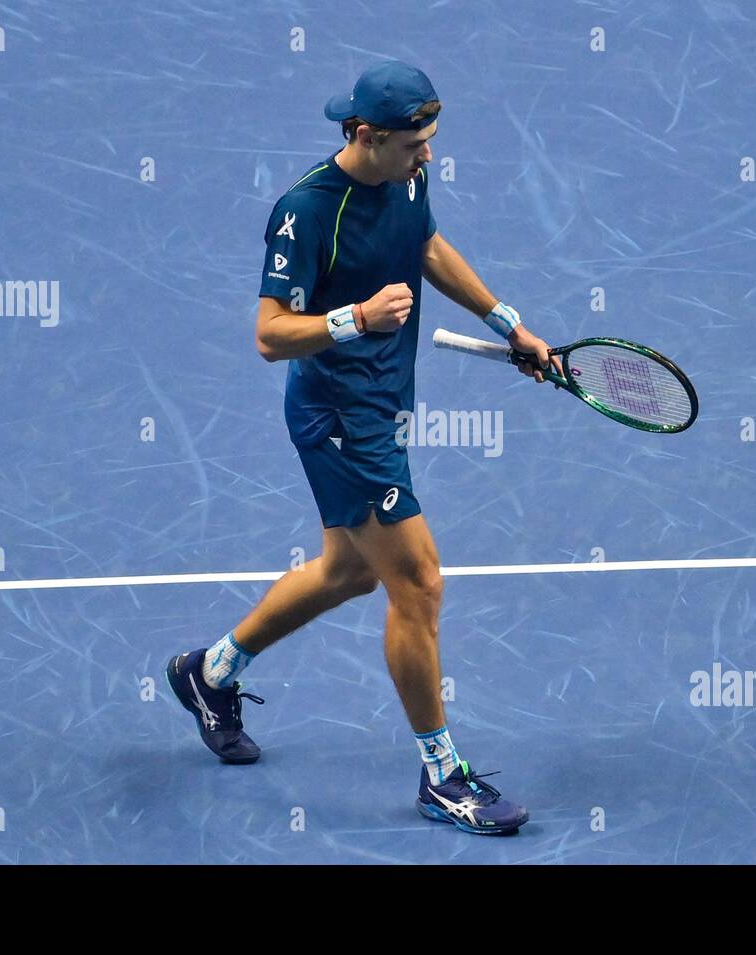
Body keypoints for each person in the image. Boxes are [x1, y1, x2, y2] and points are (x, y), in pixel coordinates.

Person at [167, 60, 560, 835]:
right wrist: (356, 318)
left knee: (348, 571)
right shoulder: (306, 212)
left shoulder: (406, 178)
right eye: (417, 143)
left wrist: (505, 320)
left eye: (432, 141)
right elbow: (269, 334)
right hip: (338, 416)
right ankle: (443, 775)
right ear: (365, 135)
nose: (430, 156)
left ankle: (210, 672)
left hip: (385, 404)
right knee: (417, 583)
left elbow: (428, 243)